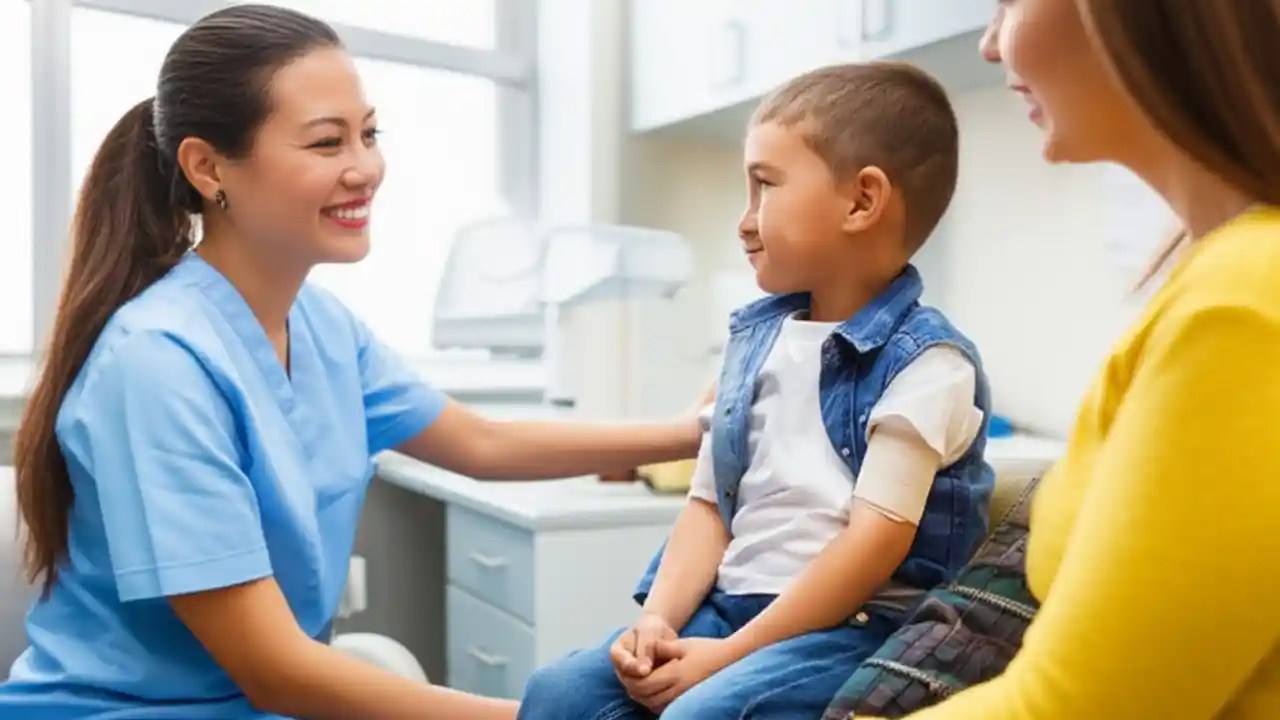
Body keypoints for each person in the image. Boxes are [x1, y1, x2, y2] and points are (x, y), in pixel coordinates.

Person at [0, 5, 706, 719]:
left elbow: (483, 443)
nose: (363, 168)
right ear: (208, 167)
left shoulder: (322, 327)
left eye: (367, 134)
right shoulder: (156, 366)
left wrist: (688, 433)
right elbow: (277, 672)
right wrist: (536, 718)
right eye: (325, 143)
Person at [518, 61, 994, 720]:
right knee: (559, 694)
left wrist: (729, 654)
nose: (744, 222)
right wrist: (658, 621)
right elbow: (710, 508)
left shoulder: (928, 365)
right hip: (728, 608)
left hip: (852, 630)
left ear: (861, 201)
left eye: (763, 187)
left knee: (697, 716)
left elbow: (873, 546)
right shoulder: (755, 344)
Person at [859, 1, 1280, 718]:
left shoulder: (1241, 302)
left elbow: (1079, 707)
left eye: (1009, 3)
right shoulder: (1227, 281)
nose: (991, 45)